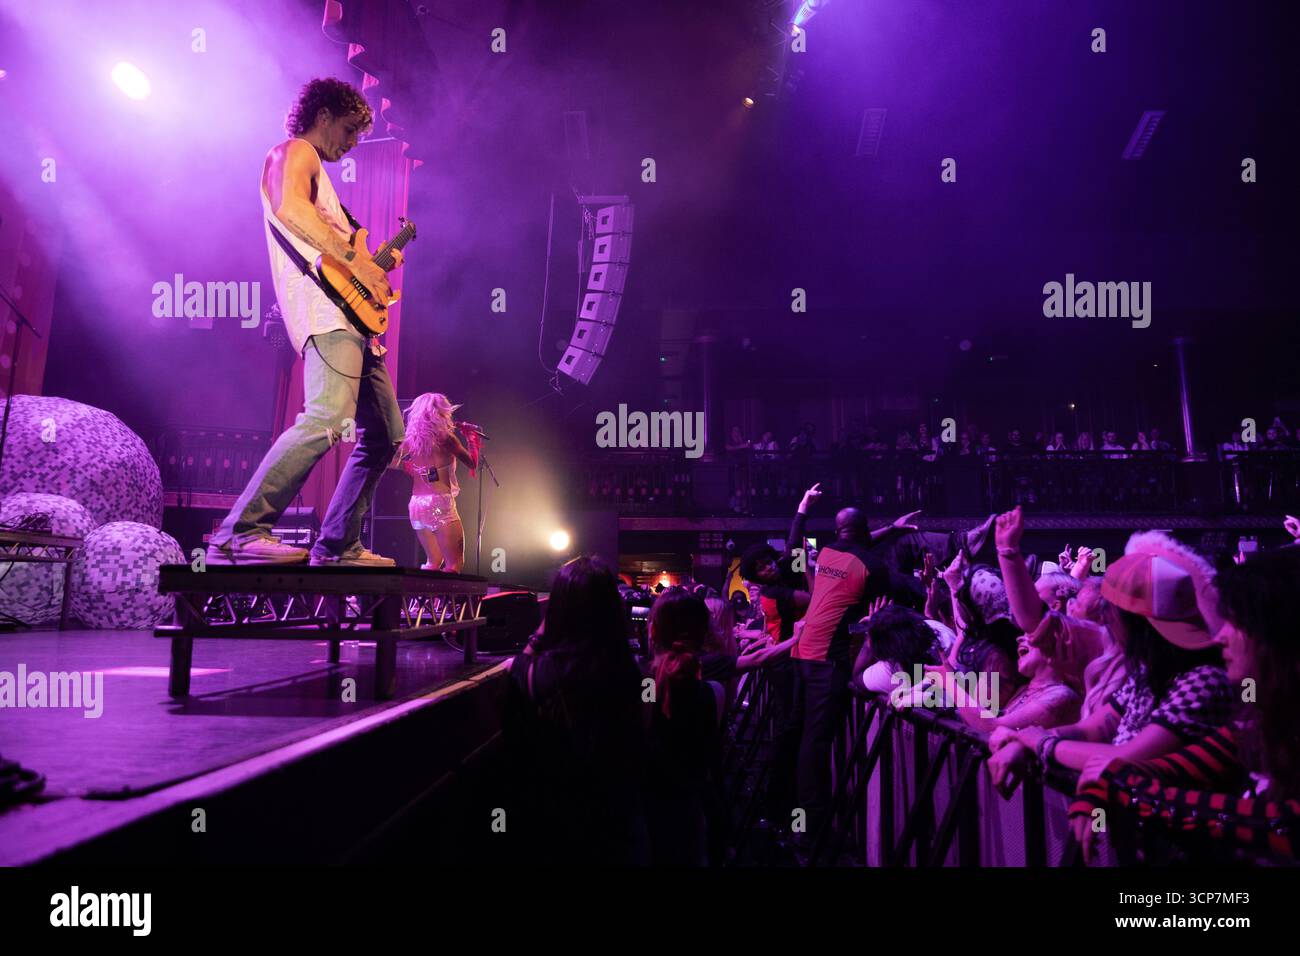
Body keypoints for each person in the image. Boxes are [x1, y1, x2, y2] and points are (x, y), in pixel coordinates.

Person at [206, 77, 404, 567]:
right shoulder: (294, 152)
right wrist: (357, 264)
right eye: (350, 128)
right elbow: (290, 207)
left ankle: (337, 545)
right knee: (326, 419)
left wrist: (369, 267)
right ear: (322, 116)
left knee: (386, 434)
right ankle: (239, 533)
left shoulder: (326, 179)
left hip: (352, 321)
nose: (354, 141)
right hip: (324, 314)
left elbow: (335, 252)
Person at [1068, 546, 1300, 862]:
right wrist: (1099, 784)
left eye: (1240, 623)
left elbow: (1280, 825)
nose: (1221, 637)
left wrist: (1120, 785)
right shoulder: (1261, 724)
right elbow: (1161, 767)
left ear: (1280, 637)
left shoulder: (1205, 681)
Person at [504, 556, 649, 864]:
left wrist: (542, 630)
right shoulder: (629, 671)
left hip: (550, 812)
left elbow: (519, 670)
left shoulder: (535, 670)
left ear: (557, 607)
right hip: (611, 814)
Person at [643, 590, 729, 865]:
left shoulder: (643, 685)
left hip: (646, 812)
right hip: (691, 810)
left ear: (653, 629)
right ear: (704, 633)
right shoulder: (711, 692)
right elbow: (712, 764)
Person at [395, 393, 482, 572]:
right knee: (454, 565)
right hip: (439, 503)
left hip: (417, 505)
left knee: (432, 563)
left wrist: (412, 469)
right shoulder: (446, 438)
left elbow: (390, 461)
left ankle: (425, 600)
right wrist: (472, 439)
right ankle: (443, 601)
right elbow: (472, 463)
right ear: (442, 413)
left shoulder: (411, 440)